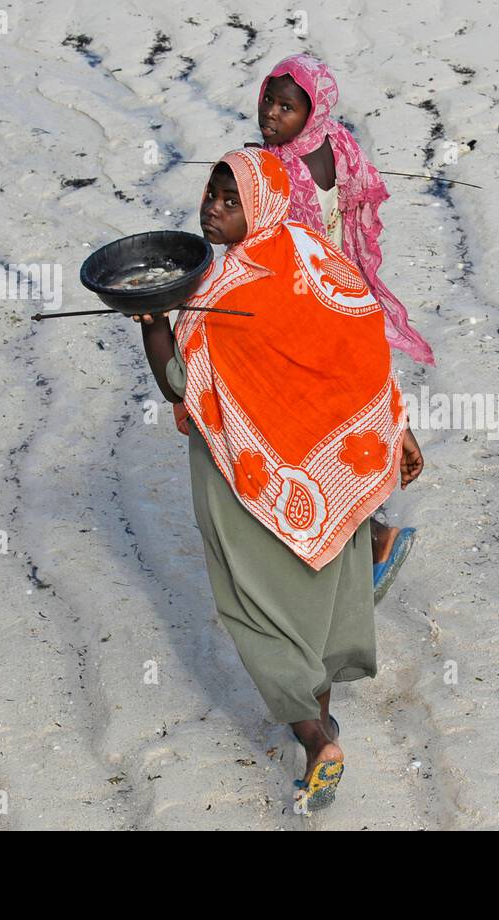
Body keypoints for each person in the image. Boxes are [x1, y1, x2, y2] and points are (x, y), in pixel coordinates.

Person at [134, 147, 424, 812]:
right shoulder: (314, 256)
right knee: (320, 599)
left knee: (254, 603)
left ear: (259, 205)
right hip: (332, 479)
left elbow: (177, 382)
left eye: (230, 199)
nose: (213, 206)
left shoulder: (214, 297)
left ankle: (316, 739)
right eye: (211, 194)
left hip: (247, 483)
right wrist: (394, 424)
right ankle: (320, 721)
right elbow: (361, 343)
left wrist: (153, 323)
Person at [256, 53, 430, 598]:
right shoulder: (337, 143)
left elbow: (269, 239)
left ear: (312, 112)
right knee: (353, 403)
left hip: (313, 303)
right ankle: (386, 465)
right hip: (345, 289)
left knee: (316, 427)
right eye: (269, 102)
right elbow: (354, 204)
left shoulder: (280, 167)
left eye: (287, 107)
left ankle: (369, 534)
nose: (272, 116)